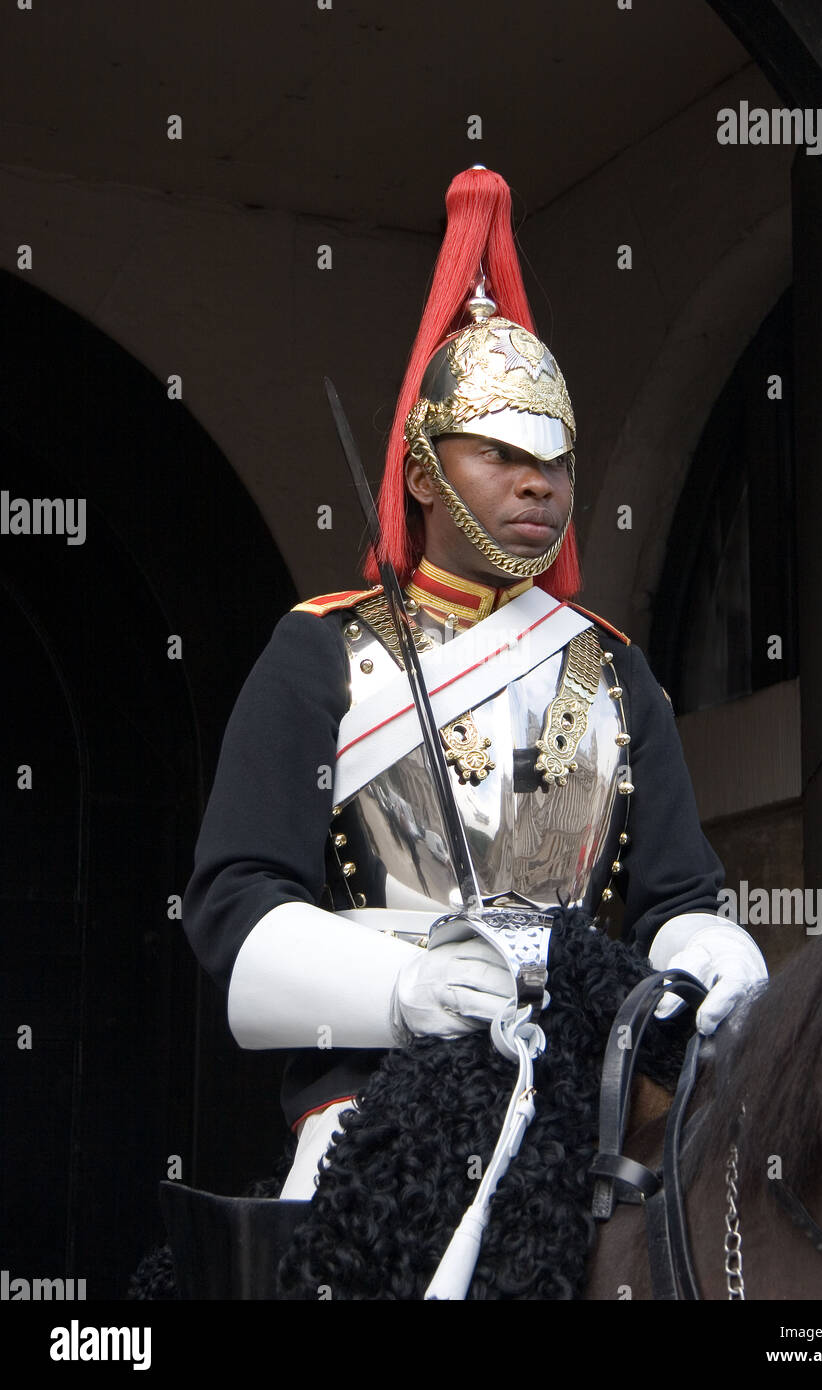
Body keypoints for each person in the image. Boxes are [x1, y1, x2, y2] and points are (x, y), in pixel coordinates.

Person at [183, 167, 767, 1203]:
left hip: (586, 1098)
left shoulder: (613, 667)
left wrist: (711, 944)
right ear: (422, 474)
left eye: (556, 460)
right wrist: (404, 987)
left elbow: (672, 897)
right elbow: (235, 902)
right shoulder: (320, 650)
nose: (539, 481)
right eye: (499, 453)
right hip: (377, 1094)